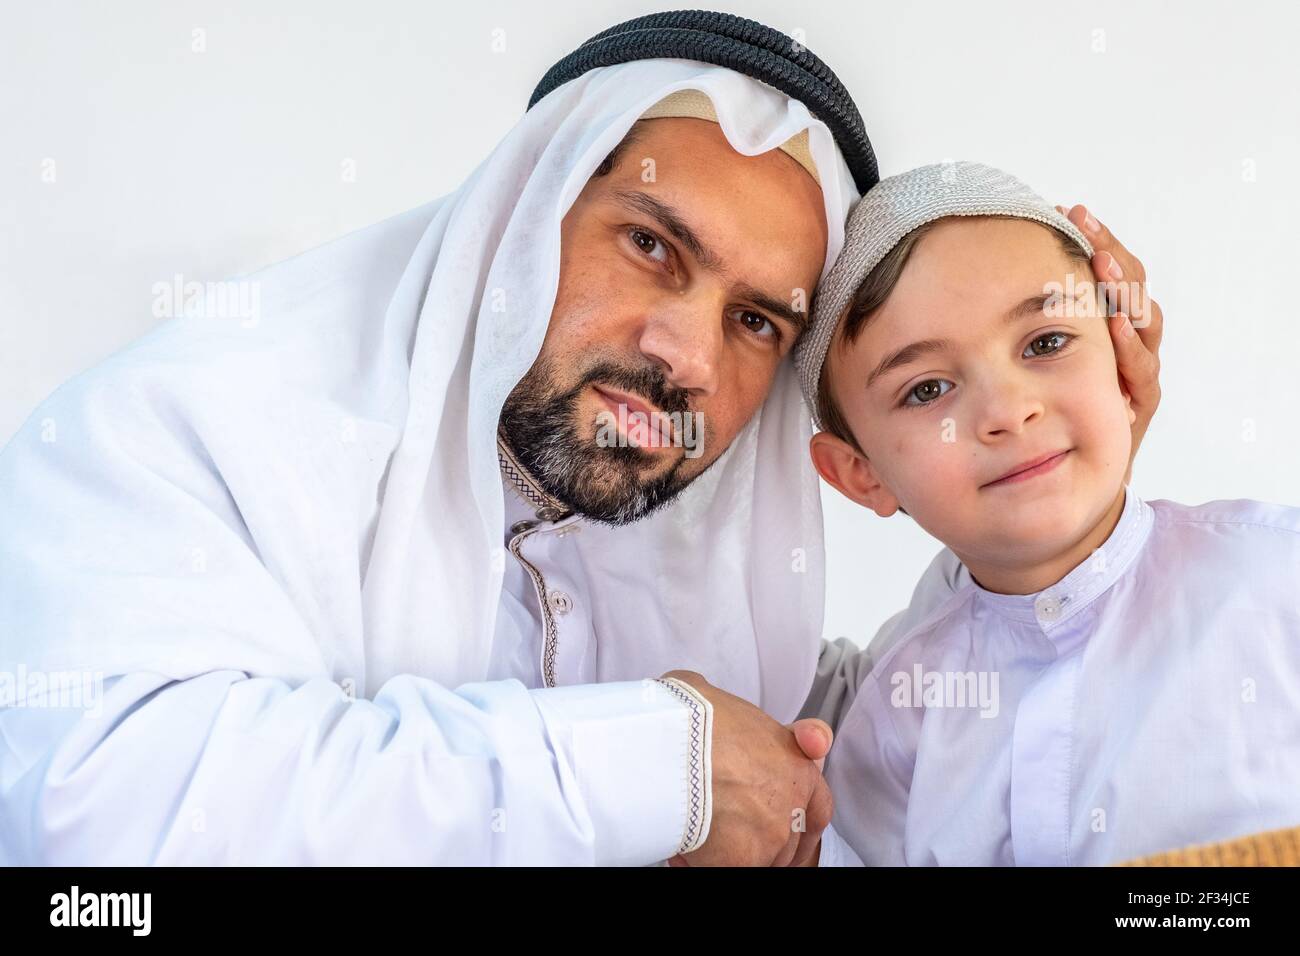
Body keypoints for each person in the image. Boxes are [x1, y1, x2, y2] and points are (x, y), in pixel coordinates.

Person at [0, 10, 1163, 866]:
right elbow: (99, 815)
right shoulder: (175, 429)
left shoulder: (693, 553)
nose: (687, 355)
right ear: (516, 219)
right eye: (652, 246)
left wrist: (1051, 510)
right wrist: (658, 766)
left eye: (756, 320)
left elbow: (872, 761)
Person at [796, 161, 1300, 866]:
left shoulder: (1277, 578)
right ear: (861, 476)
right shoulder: (894, 707)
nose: (1008, 411)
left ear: (1127, 361)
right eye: (928, 388)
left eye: (1045, 343)